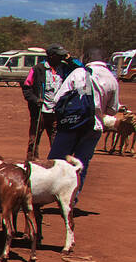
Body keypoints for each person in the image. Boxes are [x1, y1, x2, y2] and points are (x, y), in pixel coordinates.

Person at [49, 47, 120, 200]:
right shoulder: (112, 79)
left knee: (56, 160)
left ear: (87, 58)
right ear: (105, 59)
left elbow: (58, 98)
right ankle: (72, 198)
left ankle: (46, 195)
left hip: (71, 124)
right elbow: (113, 110)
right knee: (81, 163)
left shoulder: (79, 73)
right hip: (94, 127)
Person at [23, 44, 70, 157]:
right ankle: (31, 163)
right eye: (59, 56)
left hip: (56, 111)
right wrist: (35, 100)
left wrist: (70, 59)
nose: (61, 58)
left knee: (56, 140)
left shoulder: (64, 68)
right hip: (40, 111)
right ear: (51, 56)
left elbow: (80, 67)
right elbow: (26, 88)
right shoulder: (38, 69)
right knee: (34, 139)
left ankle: (55, 163)